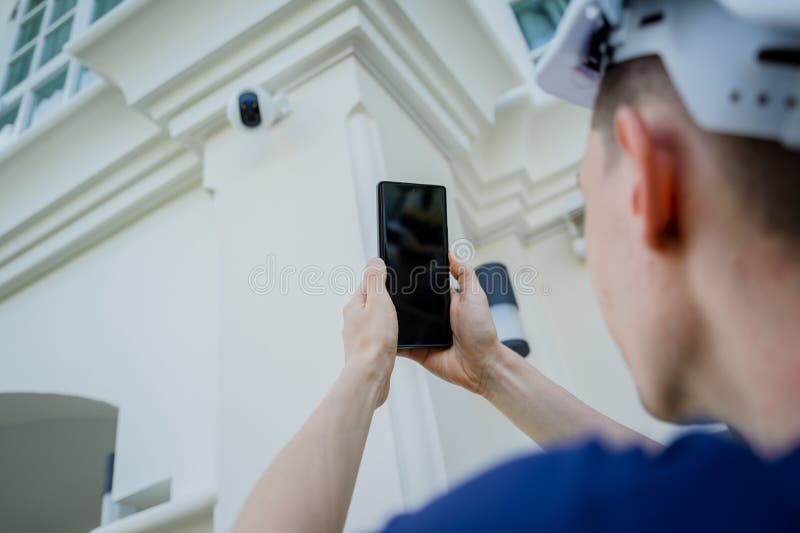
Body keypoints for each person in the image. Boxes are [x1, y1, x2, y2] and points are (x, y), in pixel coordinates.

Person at [233, 1, 800, 531]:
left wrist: (363, 367)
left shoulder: (572, 508)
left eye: (587, 194)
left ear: (650, 186)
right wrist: (489, 370)